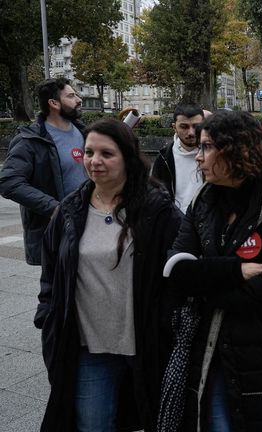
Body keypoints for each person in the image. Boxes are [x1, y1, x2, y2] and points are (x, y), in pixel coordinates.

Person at [165, 111, 262, 430]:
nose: (199, 158)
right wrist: (235, 270)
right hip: (213, 352)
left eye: (206, 148)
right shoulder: (202, 202)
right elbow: (176, 271)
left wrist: (205, 281)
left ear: (238, 150)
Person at [35, 118, 183, 431]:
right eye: (89, 152)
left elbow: (181, 271)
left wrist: (167, 320)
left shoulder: (158, 210)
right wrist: (46, 315)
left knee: (162, 421)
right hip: (90, 347)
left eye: (106, 153)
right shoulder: (69, 211)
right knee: (92, 424)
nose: (94, 161)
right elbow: (51, 274)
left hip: (146, 343)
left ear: (127, 157)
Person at [0, 78, 88, 265]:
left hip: (88, 225)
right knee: (58, 292)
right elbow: (9, 182)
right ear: (54, 103)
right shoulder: (30, 139)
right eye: (71, 96)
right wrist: (55, 209)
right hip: (56, 233)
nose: (79, 99)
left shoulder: (84, 132)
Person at [151, 103, 205, 213]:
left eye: (196, 126)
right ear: (174, 127)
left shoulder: (215, 155)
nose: (191, 132)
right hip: (173, 225)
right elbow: (155, 197)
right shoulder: (163, 158)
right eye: (184, 127)